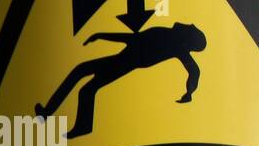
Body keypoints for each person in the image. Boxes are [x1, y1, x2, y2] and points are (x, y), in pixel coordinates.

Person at [35, 21, 207, 139]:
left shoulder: (173, 44)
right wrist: (102, 35)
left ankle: (62, 118)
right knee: (86, 85)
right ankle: (77, 124)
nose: (189, 25)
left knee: (83, 79)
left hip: (123, 63)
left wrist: (190, 91)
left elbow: (194, 70)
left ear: (188, 38)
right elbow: (132, 38)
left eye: (192, 29)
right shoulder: (168, 36)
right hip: (122, 60)